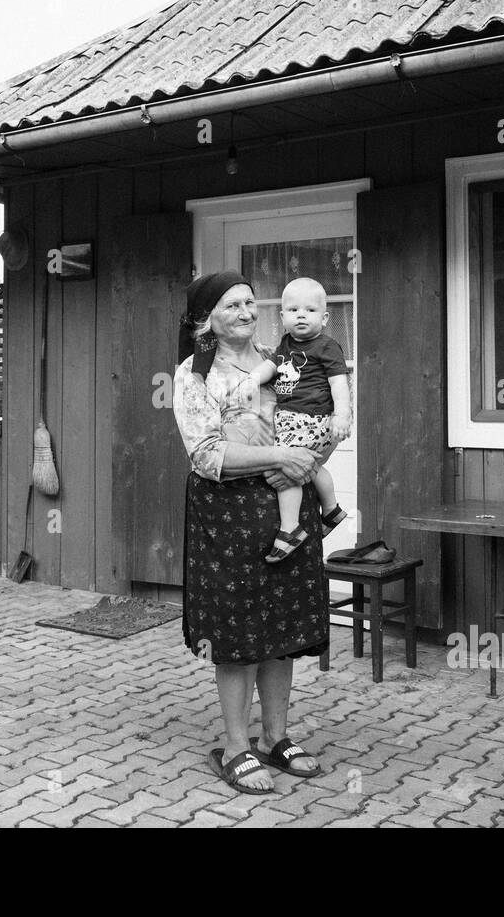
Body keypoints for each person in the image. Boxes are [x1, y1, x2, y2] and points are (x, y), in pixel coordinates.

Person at [172, 269, 329, 794]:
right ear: (205, 320)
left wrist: (306, 461)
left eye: (248, 302)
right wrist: (280, 456)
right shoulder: (194, 375)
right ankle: (237, 745)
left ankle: (274, 737)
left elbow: (320, 415)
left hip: (289, 505)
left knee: (281, 629)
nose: (244, 312)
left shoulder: (282, 357)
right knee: (238, 633)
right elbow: (207, 454)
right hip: (228, 517)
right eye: (231, 305)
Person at [242, 277, 351, 562]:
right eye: (293, 310)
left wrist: (342, 415)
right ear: (282, 317)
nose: (301, 315)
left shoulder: (327, 346)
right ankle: (331, 509)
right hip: (291, 419)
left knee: (287, 467)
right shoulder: (286, 344)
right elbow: (272, 365)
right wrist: (253, 378)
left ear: (324, 318)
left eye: (310, 310)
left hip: (312, 418)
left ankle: (290, 529)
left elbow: (339, 384)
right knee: (311, 466)